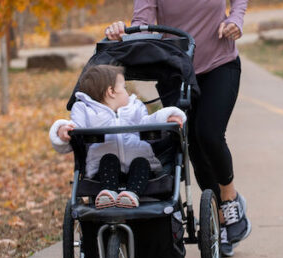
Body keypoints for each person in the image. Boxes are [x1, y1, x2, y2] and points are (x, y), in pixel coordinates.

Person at [105, 0, 250, 257]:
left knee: (209, 133)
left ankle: (230, 200)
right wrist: (128, 31)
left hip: (219, 63)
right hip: (175, 71)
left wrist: (235, 21)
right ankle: (215, 217)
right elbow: (143, 18)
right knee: (191, 147)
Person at [49, 64, 186, 209]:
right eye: (124, 88)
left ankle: (131, 194)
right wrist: (62, 130)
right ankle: (108, 192)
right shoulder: (85, 110)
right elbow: (76, 127)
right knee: (108, 159)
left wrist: (166, 117)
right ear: (111, 91)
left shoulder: (135, 108)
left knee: (141, 163)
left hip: (139, 169)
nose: (128, 93)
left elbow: (147, 122)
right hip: (102, 173)